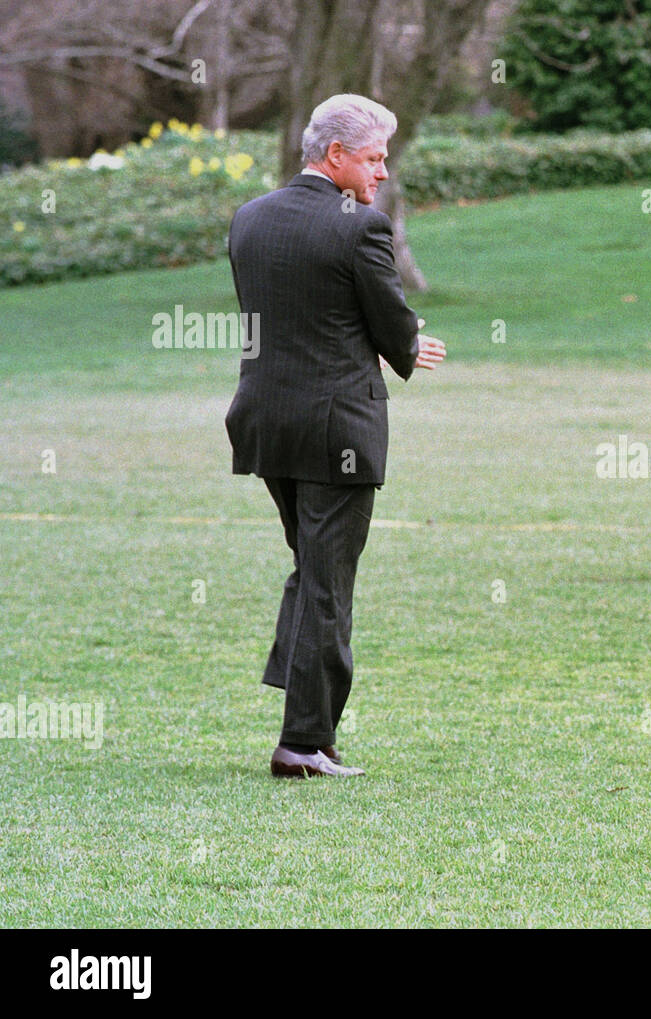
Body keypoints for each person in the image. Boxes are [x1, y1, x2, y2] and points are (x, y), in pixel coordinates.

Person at [224, 93, 445, 778]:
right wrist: (404, 346)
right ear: (337, 154)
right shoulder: (361, 228)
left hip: (267, 422)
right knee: (327, 584)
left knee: (311, 570)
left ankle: (304, 719)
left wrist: (369, 348)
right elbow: (389, 318)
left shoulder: (249, 219)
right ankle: (303, 743)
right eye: (374, 159)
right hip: (335, 431)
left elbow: (292, 319)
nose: (381, 173)